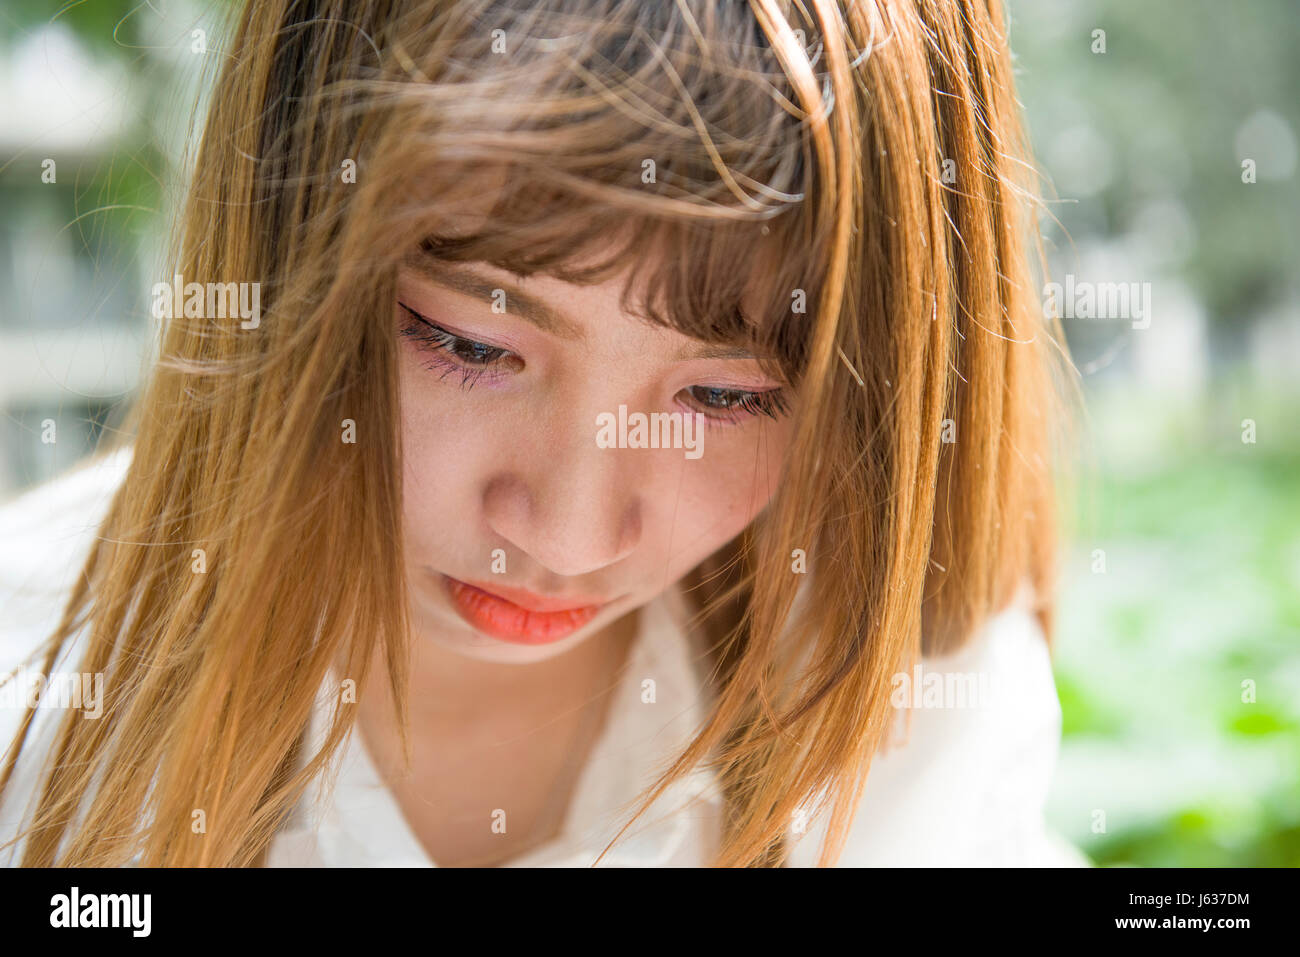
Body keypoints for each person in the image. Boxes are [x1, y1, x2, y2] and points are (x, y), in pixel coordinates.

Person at [0, 0, 1086, 867]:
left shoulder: (899, 699)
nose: (566, 536)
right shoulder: (30, 696)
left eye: (728, 398)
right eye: (469, 344)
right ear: (286, 238)